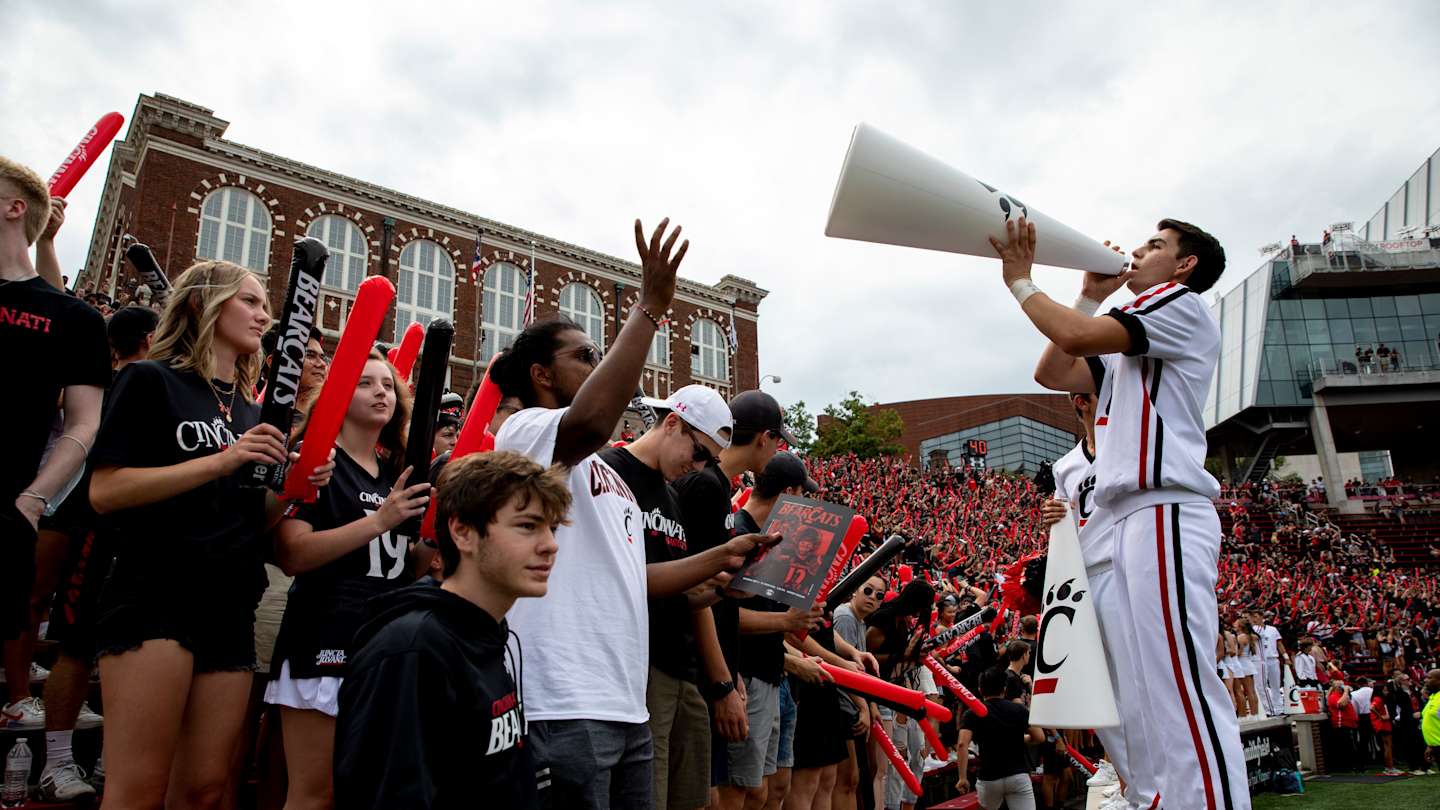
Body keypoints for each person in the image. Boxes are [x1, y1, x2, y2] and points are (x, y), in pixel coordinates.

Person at [1014, 216, 1249, 808]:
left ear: (1184, 265)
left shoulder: (1179, 304)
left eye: (1154, 246)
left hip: (1163, 507)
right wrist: (1092, 293)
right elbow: (1052, 370)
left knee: (1176, 686)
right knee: (1128, 694)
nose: (1138, 252)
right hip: (1120, 520)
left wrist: (1019, 278)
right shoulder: (1133, 335)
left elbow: (1074, 335)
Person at [86, 260, 333, 809]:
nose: (264, 314)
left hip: (230, 601)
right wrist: (222, 461)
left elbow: (252, 515)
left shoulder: (250, 409)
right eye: (249, 300)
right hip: (155, 592)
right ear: (202, 304)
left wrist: (292, 488)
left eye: (265, 304)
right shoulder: (150, 379)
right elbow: (105, 491)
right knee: (137, 788)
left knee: (204, 789)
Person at [489, 218, 703, 808]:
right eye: (585, 356)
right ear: (541, 375)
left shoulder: (607, 474)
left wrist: (718, 563)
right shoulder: (525, 432)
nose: (597, 364)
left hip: (624, 704)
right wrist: (649, 309)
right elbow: (588, 421)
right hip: (561, 702)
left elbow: (634, 581)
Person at [333, 451, 573, 809]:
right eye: (528, 526)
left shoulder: (487, 633)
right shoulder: (411, 650)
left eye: (551, 528)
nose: (550, 545)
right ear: (462, 532)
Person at [597, 384, 780, 810]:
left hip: (684, 667)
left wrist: (726, 581)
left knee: (694, 798)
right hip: (640, 665)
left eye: (710, 460)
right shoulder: (612, 472)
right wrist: (722, 556)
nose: (700, 466)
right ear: (673, 423)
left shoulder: (673, 493)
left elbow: (683, 591)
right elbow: (619, 580)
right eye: (699, 453)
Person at [265, 348, 433, 810]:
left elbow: (404, 566)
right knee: (316, 794)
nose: (381, 391)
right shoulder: (318, 459)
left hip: (385, 646)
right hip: (324, 640)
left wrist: (433, 540)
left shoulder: (395, 473)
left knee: (370, 791)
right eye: (365, 382)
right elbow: (293, 554)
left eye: (387, 384)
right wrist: (380, 521)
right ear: (338, 393)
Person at [31, 305, 158, 801]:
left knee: (128, 649)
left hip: (143, 535)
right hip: (95, 527)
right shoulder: (115, 383)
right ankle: (57, 763)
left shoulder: (168, 381)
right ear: (147, 338)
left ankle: (110, 756)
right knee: (79, 645)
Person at [1, 157, 108, 732]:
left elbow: (82, 422)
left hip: (21, 506)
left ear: (15, 207)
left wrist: (34, 498)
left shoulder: (67, 319)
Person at [670, 389, 795, 807]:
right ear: (763, 437)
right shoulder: (704, 486)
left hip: (713, 671)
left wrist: (730, 671)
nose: (778, 451)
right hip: (694, 674)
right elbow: (696, 594)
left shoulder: (718, 487)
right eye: (778, 441)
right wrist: (722, 681)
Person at [1043, 388, 1158, 809]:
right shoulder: (1065, 465)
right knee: (1099, 691)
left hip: (1126, 565)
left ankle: (1153, 785)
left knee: (1135, 684)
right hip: (1083, 578)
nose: (1083, 401)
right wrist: (1053, 515)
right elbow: (1062, 516)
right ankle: (1134, 785)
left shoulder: (1126, 443)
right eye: (1077, 396)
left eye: (1089, 393)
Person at [719, 452, 826, 810]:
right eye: (803, 495)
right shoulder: (739, 532)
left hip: (769, 674)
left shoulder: (765, 536)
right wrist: (786, 623)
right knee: (741, 790)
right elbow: (725, 614)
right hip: (745, 677)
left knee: (766, 789)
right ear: (790, 493)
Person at [956, 667, 1045, 810]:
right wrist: (1018, 738)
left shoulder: (971, 714)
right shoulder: (1019, 709)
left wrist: (962, 777)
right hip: (1018, 775)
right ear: (1004, 689)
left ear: (980, 689)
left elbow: (962, 745)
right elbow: (1039, 737)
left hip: (989, 778)